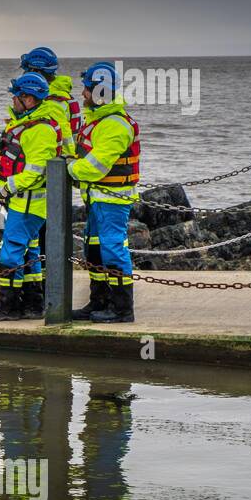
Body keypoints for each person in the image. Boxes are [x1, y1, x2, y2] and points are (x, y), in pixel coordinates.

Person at [0, 72, 62, 321]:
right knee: (30, 252)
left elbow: (35, 169)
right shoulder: (27, 125)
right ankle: (34, 303)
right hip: (23, 202)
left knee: (11, 252)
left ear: (30, 98)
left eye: (17, 95)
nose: (13, 100)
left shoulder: (40, 129)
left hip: (28, 203)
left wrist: (7, 188)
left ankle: (9, 306)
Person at [69, 61, 140, 323]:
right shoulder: (99, 121)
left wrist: (69, 170)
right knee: (96, 250)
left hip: (112, 200)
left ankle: (122, 309)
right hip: (98, 199)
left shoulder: (114, 124)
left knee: (112, 249)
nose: (83, 94)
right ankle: (98, 301)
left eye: (87, 89)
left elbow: (96, 166)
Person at [19, 46, 80, 155]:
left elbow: (64, 138)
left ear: (36, 71)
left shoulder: (51, 102)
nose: (24, 75)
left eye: (27, 70)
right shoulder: (60, 95)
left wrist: (63, 165)